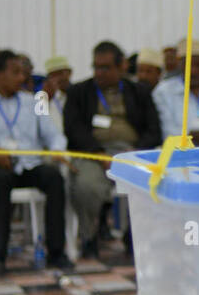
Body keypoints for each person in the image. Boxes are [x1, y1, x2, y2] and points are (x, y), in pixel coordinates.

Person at [0, 50, 74, 275]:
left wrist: (57, 149)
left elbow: (52, 133)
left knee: (54, 178)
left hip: (29, 164)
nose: (22, 78)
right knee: (0, 182)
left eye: (23, 73)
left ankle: (57, 252)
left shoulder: (33, 102)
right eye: (15, 73)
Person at [63, 41, 161, 258]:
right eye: (96, 67)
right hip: (94, 154)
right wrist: (97, 153)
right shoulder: (79, 92)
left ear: (122, 66)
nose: (99, 72)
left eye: (106, 68)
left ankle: (134, 235)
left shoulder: (139, 92)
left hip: (132, 154)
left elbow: (154, 130)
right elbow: (73, 129)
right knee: (86, 185)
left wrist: (135, 151)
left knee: (154, 182)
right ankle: (89, 235)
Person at [40, 56, 72, 134]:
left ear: (69, 73)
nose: (58, 78)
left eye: (61, 73)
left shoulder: (80, 95)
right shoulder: (45, 98)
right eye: (53, 75)